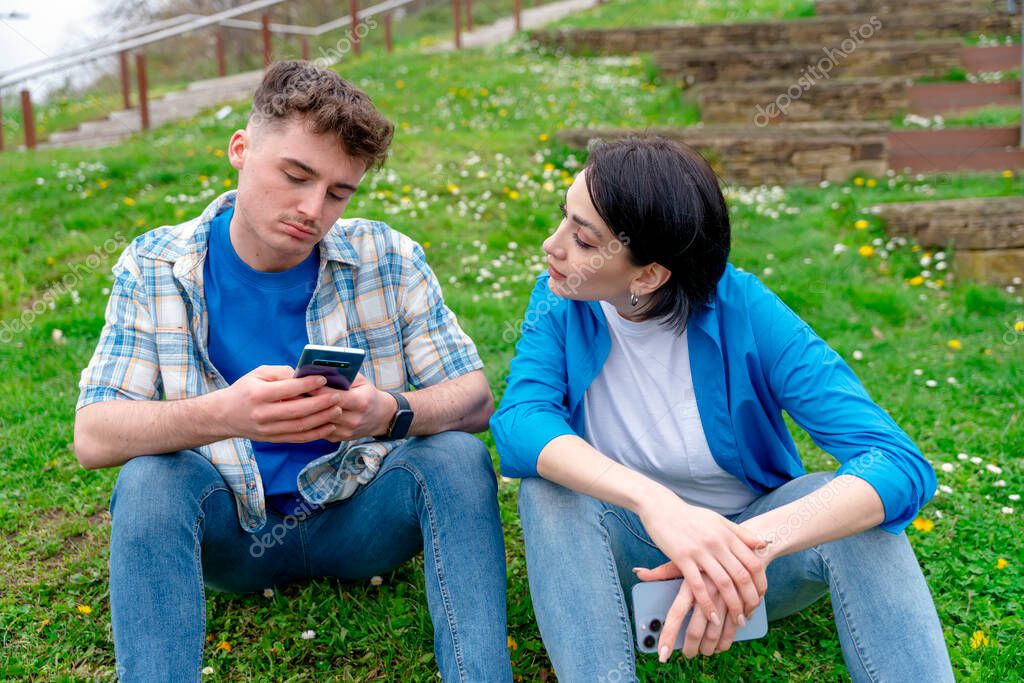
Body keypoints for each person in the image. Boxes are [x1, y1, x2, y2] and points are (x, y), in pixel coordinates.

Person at [74, 60, 512, 682]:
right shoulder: (154, 263)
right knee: (149, 481)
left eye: (338, 193)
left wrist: (390, 412)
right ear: (240, 149)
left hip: (362, 520)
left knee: (458, 459)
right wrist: (224, 414)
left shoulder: (388, 255)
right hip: (228, 535)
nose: (313, 209)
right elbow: (93, 435)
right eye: (296, 175)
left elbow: (475, 400)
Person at [490, 136, 953, 682]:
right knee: (550, 491)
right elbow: (520, 423)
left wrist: (746, 549)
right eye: (563, 219)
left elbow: (897, 462)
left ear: (647, 276)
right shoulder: (557, 299)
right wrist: (660, 506)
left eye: (583, 240)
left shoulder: (746, 308)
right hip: (631, 552)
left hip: (752, 558)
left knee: (861, 509)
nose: (552, 244)